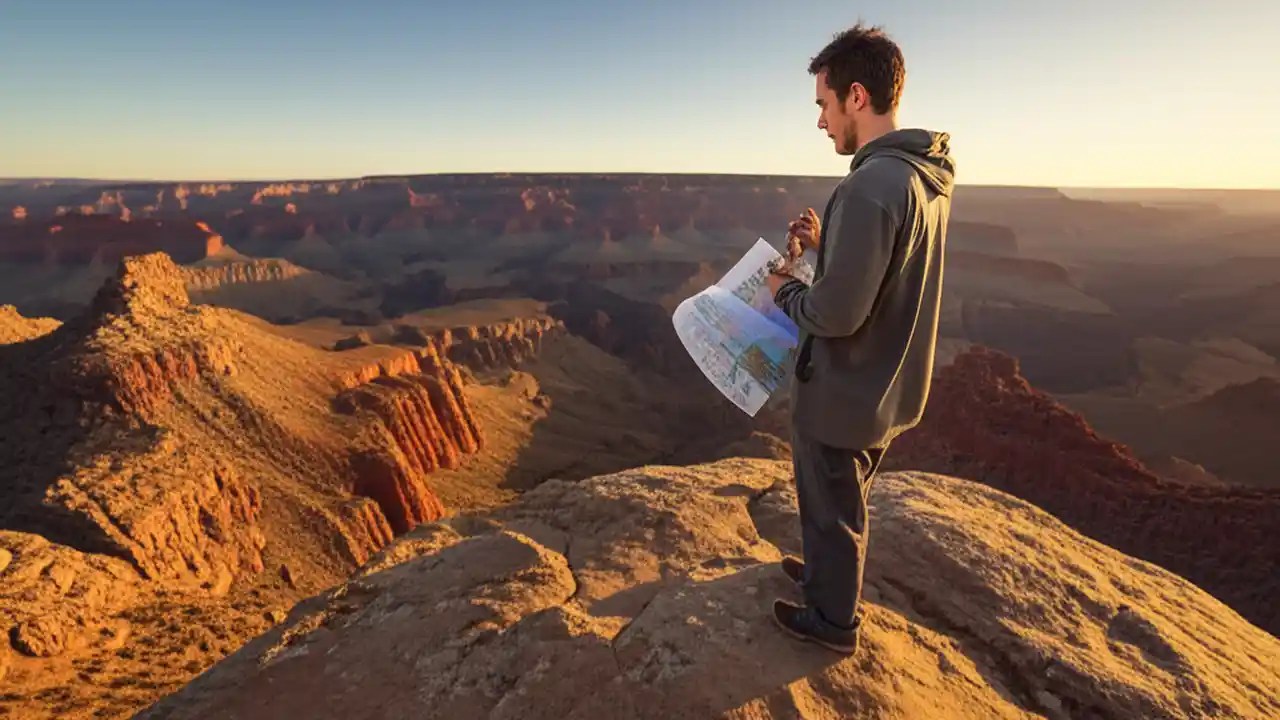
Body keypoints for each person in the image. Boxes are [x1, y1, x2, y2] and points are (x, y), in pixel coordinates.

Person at [764, 22, 955, 654]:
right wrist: (827, 247)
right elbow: (883, 271)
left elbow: (839, 313)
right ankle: (826, 579)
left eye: (822, 104)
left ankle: (832, 623)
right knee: (838, 500)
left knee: (833, 502)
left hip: (846, 389)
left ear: (855, 96)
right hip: (885, 382)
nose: (821, 122)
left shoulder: (871, 184)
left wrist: (785, 292)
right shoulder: (919, 175)